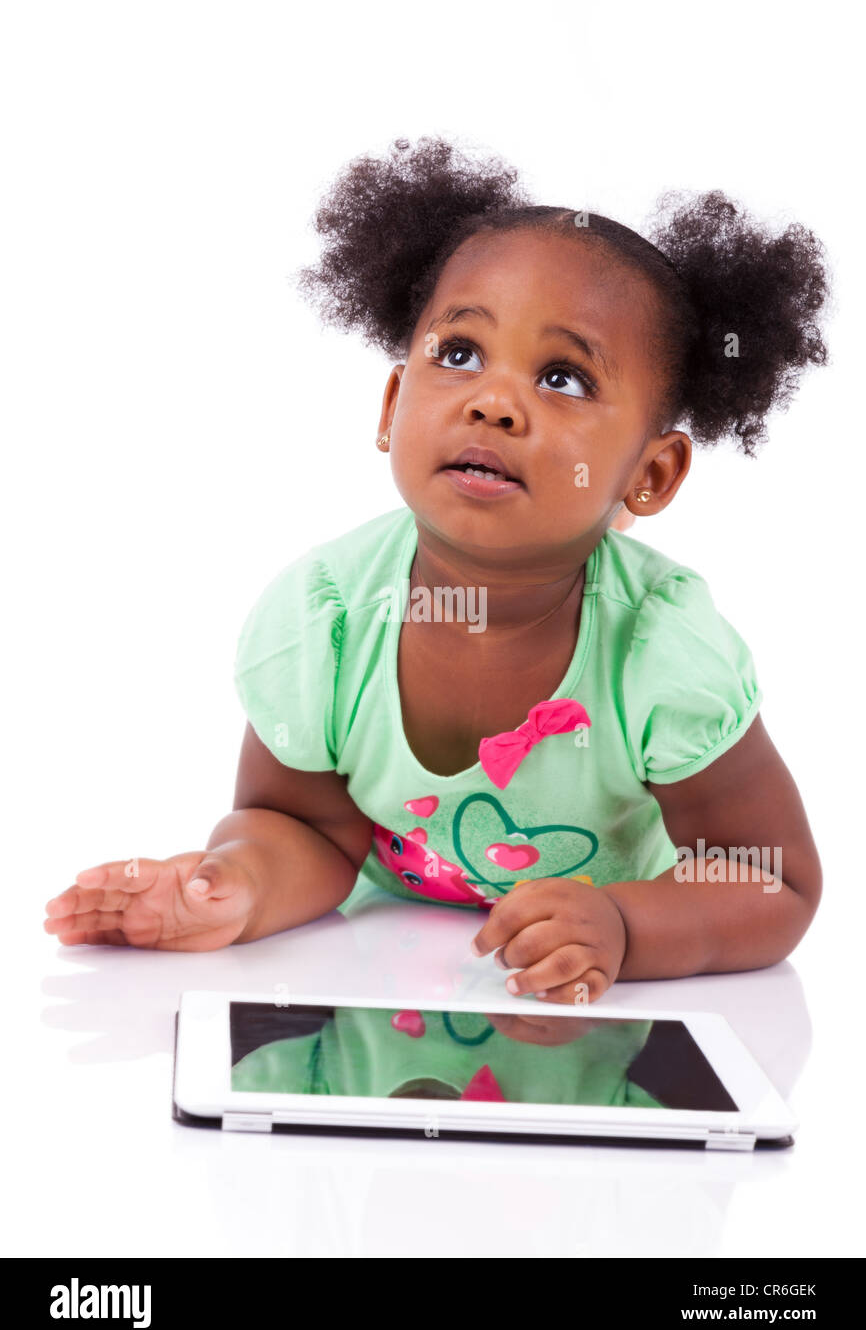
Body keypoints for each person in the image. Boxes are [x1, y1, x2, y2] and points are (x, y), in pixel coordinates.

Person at [45, 137, 829, 1004]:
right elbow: (302, 825)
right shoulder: (332, 616)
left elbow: (770, 877)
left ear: (651, 474)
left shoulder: (657, 651)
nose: (492, 402)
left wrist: (625, 925)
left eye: (563, 377)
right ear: (391, 406)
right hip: (384, 993)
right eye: (458, 354)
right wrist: (233, 889)